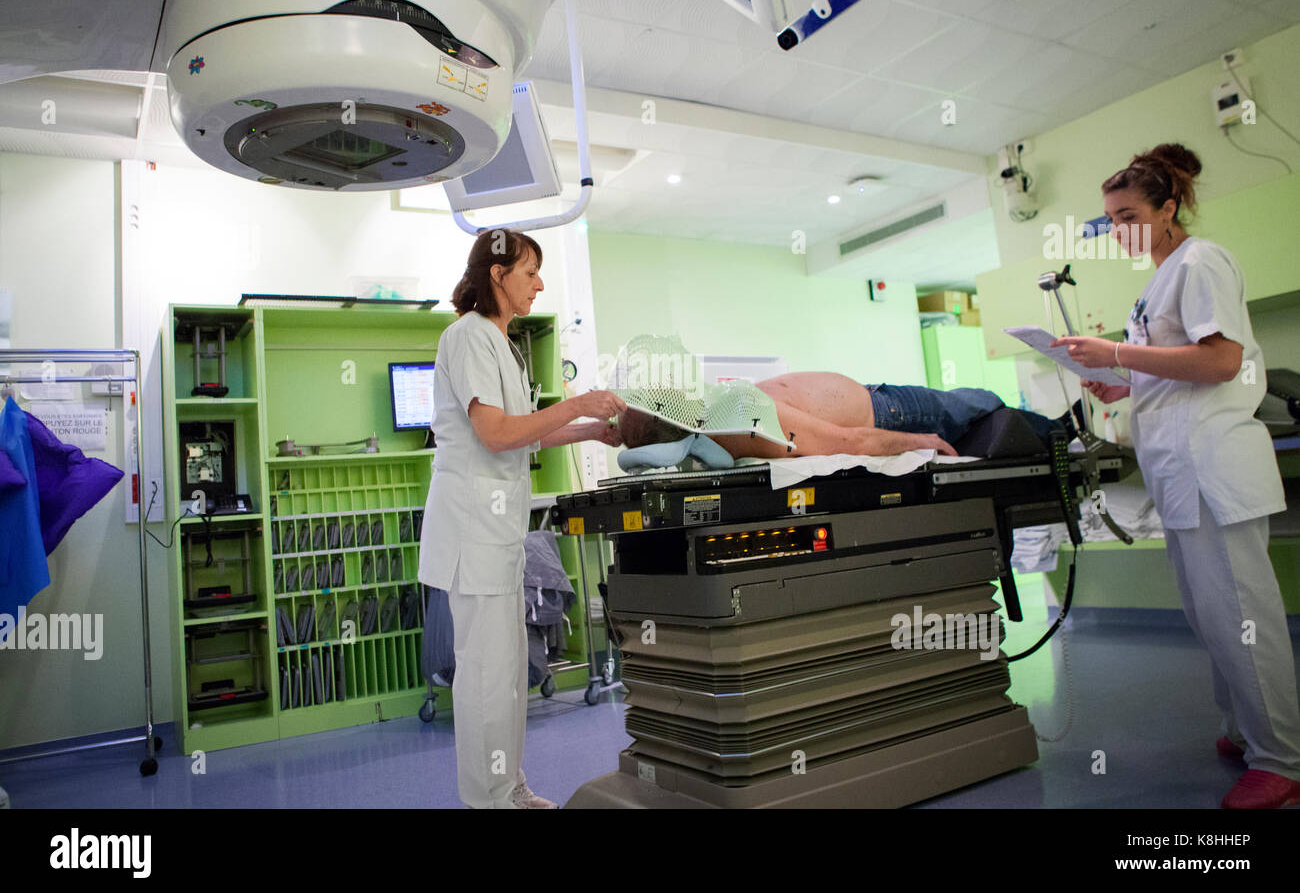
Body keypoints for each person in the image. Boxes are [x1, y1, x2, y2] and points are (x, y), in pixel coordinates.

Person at [1052, 142, 1300, 809]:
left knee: (1244, 617)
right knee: (1214, 617)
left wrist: (1119, 353)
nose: (1118, 229)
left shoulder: (1202, 260)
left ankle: (1283, 758)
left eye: (1128, 213)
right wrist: (1120, 381)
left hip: (1213, 464)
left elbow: (1220, 362)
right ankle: (1245, 732)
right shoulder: (1159, 279)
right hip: (1181, 472)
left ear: (1170, 207)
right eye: (1108, 220)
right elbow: (1176, 364)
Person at [416, 228, 625, 809]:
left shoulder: (502, 343)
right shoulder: (466, 337)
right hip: (471, 534)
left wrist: (592, 429)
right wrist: (579, 401)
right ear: (496, 275)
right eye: (529, 271)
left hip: (497, 536)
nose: (538, 283)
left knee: (507, 678)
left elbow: (527, 430)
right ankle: (488, 801)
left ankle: (511, 788)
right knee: (485, 680)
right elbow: (495, 432)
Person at [617, 372, 1071, 459]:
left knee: (977, 404)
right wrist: (918, 442)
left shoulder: (709, 420)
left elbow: (621, 430)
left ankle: (1063, 430)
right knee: (982, 403)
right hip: (891, 414)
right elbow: (849, 442)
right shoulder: (744, 423)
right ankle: (1067, 436)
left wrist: (603, 425)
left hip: (879, 397)